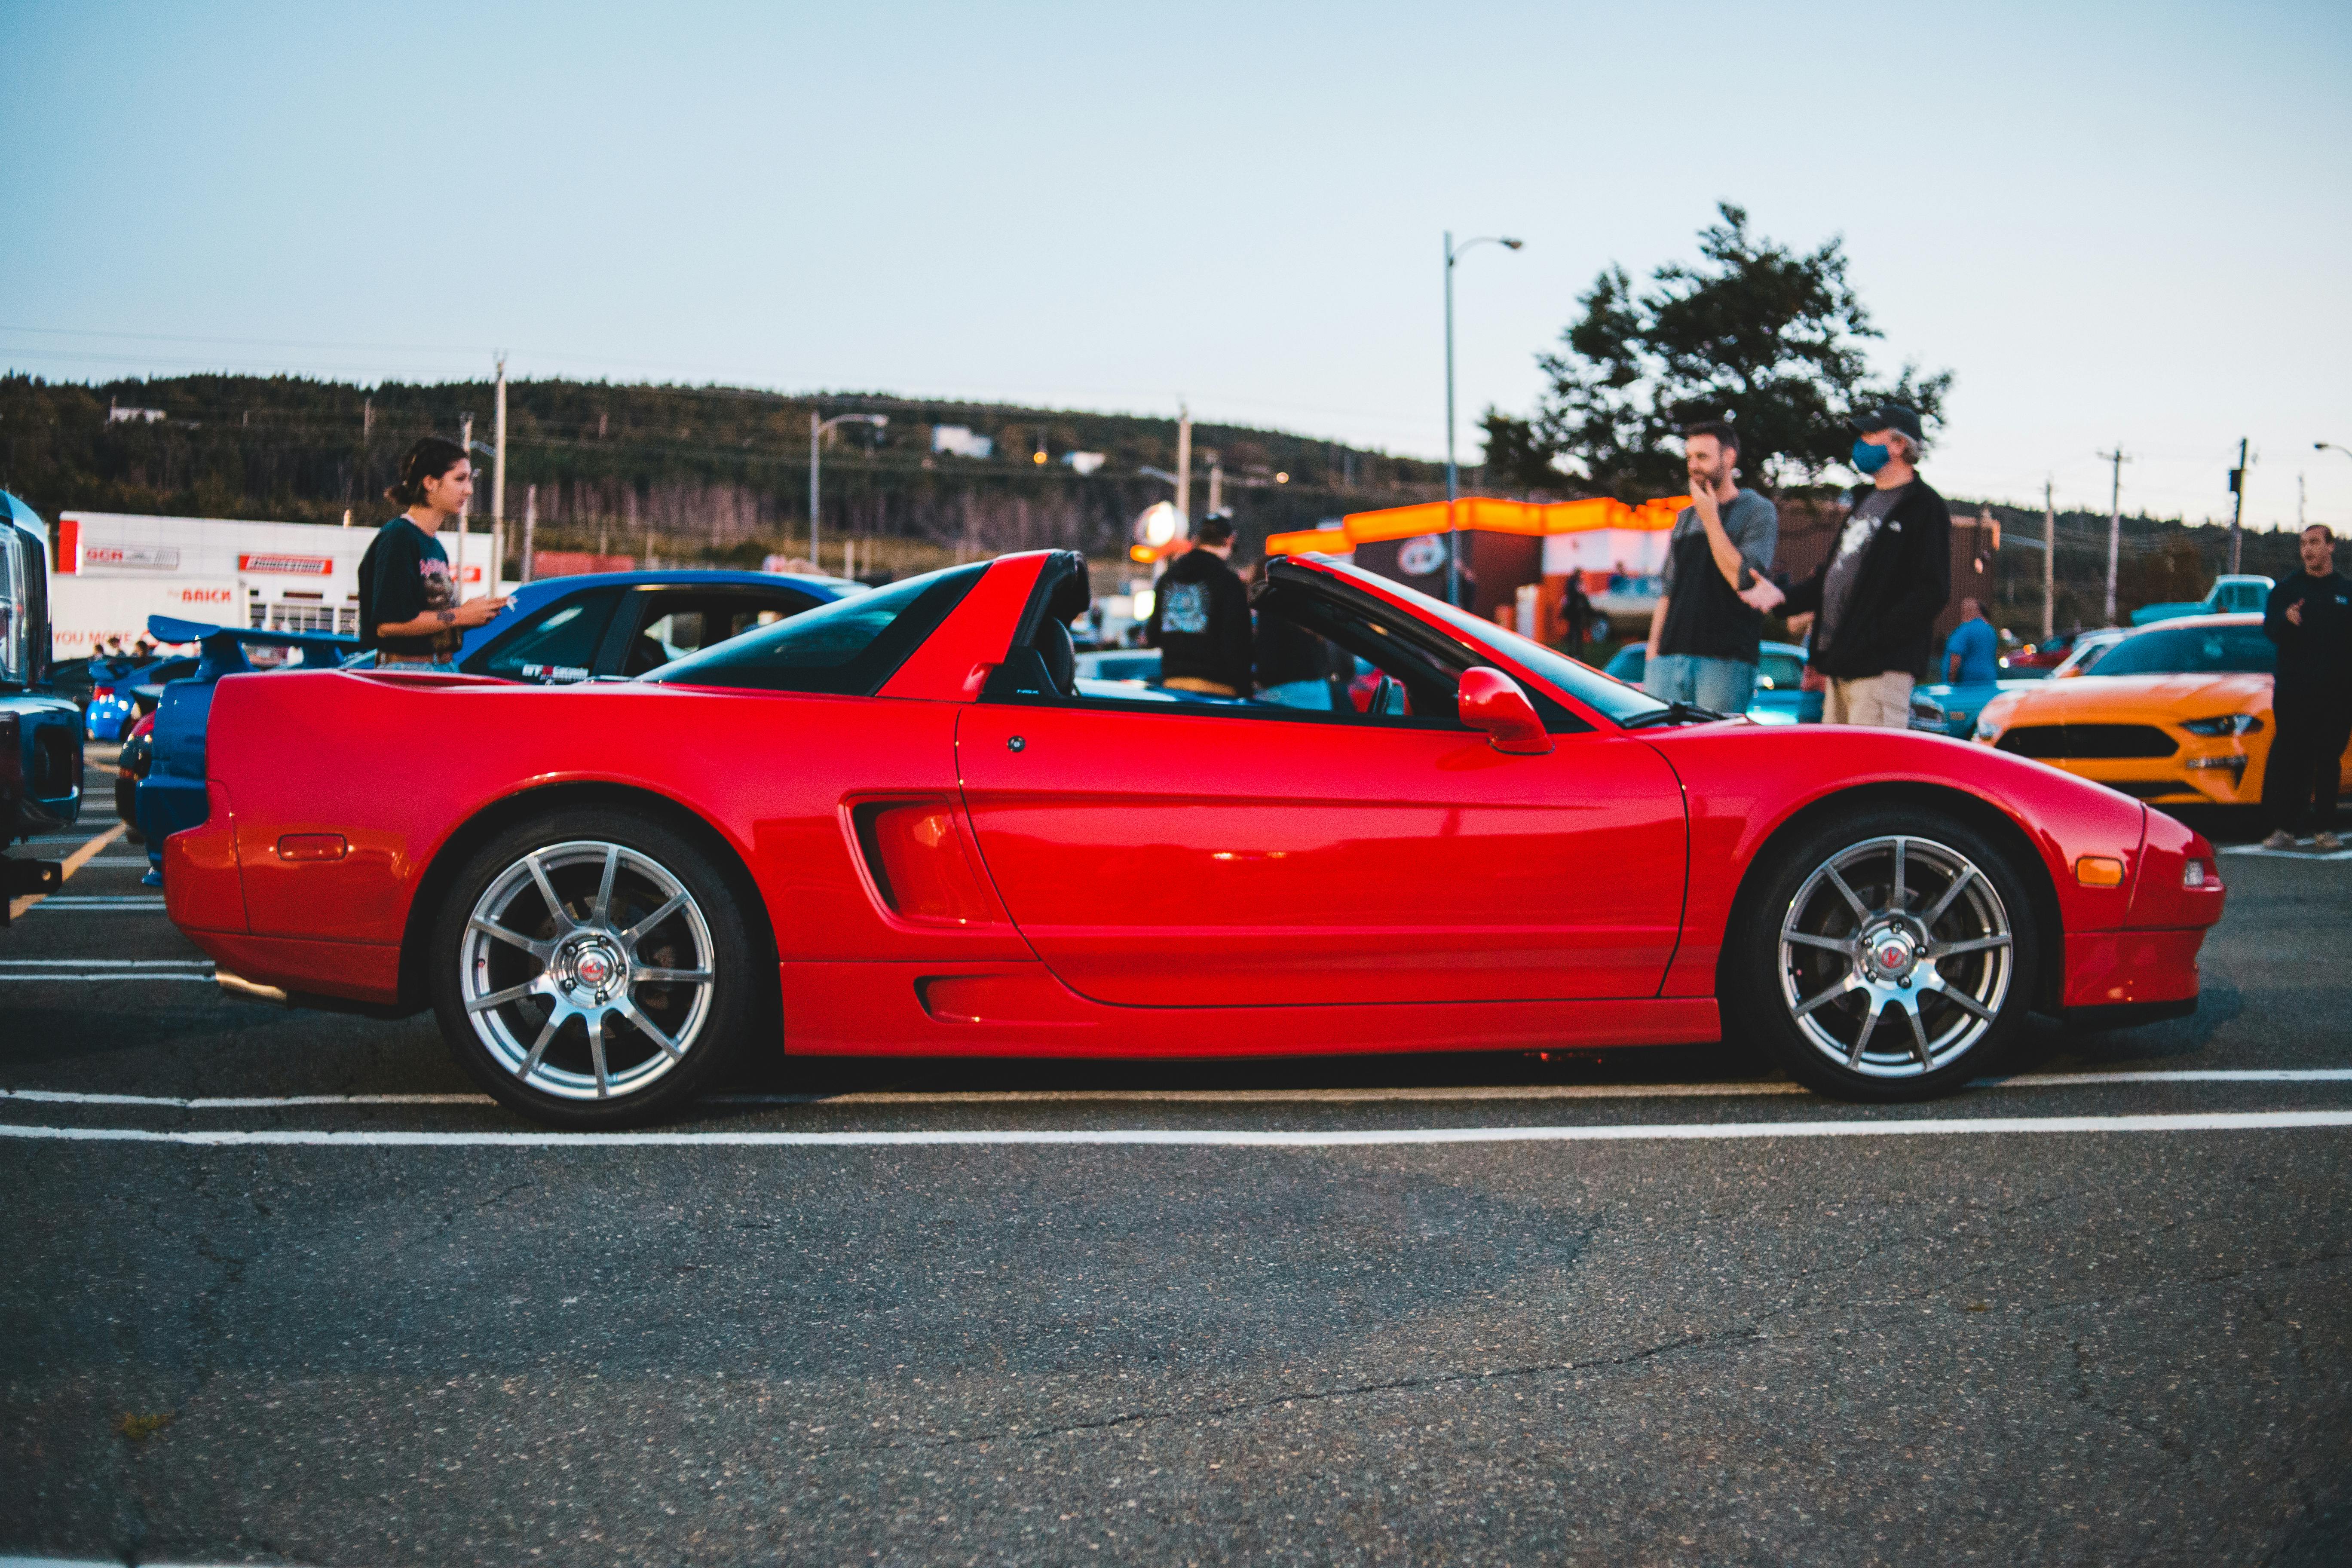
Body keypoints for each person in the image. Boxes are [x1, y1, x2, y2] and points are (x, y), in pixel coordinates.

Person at [1746, 404, 1951, 727]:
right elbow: (1832, 579)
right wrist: (1782, 598)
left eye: (1871, 434)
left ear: (1900, 445)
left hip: (1879, 670)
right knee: (1841, 769)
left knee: (1873, 769)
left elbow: (1932, 591)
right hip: (1838, 666)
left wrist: (1872, 639)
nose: (1862, 442)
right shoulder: (1863, 501)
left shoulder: (1924, 506)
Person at [1643, 420, 1779, 713]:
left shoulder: (1757, 510)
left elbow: (1745, 579)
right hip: (1669, 659)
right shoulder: (1684, 518)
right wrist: (1653, 653)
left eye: (1702, 457)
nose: (1693, 466)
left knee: (1713, 754)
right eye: (1689, 457)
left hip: (1725, 662)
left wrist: (1710, 517)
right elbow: (1669, 590)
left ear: (1729, 457)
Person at [358, 436, 508, 671]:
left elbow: (430, 619)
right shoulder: (399, 538)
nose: (469, 490)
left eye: (470, 480)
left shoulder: (434, 545)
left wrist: (475, 615)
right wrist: (460, 616)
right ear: (430, 482)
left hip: (440, 665)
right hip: (408, 671)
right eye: (460, 479)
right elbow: (389, 625)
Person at [2259, 524, 2352, 852]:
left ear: (2331, 547)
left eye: (2314, 543)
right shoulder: (2287, 590)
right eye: (2303, 544)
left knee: (2328, 759)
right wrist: (2286, 618)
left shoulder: (2345, 591)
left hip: (2337, 694)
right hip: (2294, 693)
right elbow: (2270, 630)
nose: (2308, 550)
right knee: (2291, 759)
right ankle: (2284, 828)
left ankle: (2324, 829)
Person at [1146, 513, 1251, 696]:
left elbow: (1153, 634)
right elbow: (1237, 640)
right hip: (1219, 689)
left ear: (1197, 539)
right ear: (1230, 540)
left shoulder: (1168, 578)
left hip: (1174, 684)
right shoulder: (1228, 582)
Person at [1945, 598, 1999, 685]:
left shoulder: (1964, 630)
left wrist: (1951, 679)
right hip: (1989, 681)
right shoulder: (1991, 631)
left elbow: (1955, 657)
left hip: (1966, 684)